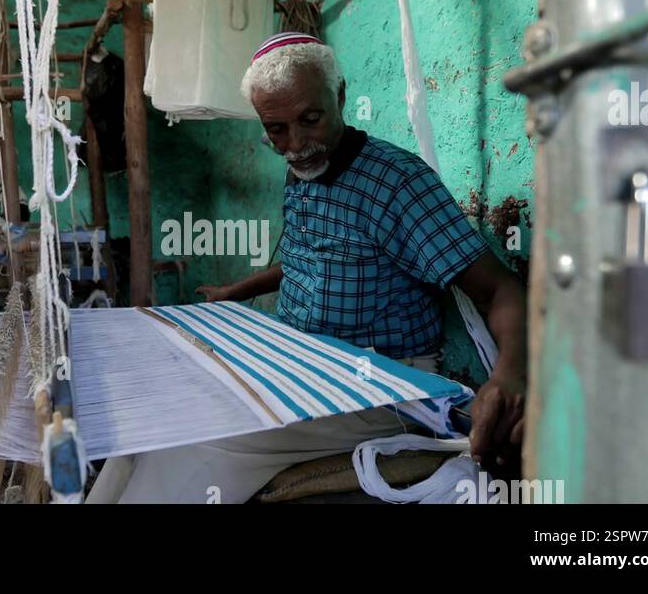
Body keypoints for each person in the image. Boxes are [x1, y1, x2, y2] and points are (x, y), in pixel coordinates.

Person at [87, 33, 527, 503]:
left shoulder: (398, 183)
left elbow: (501, 291)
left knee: (195, 443)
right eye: (276, 130)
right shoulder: (300, 174)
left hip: (379, 387)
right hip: (303, 366)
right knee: (151, 420)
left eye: (310, 120)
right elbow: (304, 259)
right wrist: (237, 290)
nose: (296, 144)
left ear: (339, 97)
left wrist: (511, 375)